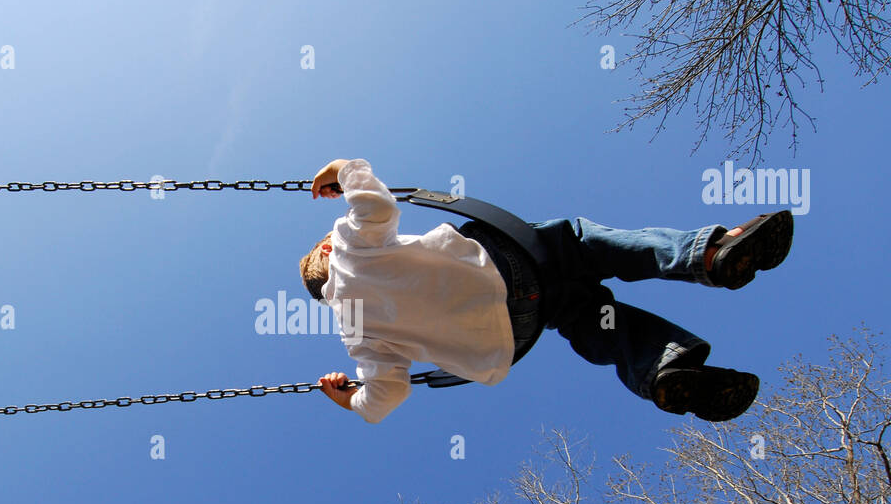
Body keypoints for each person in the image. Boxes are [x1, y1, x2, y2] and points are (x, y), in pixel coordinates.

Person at [301, 158, 793, 424]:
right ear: (325, 249)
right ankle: (708, 254)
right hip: (511, 263)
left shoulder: (359, 339)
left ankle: (664, 368)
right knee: (587, 245)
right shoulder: (346, 247)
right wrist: (344, 170)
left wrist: (346, 399)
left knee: (591, 320)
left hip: (517, 330)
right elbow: (376, 206)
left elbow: (384, 397)